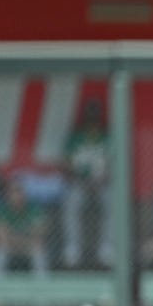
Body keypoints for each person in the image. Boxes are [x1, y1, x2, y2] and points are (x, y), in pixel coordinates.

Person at [60, 98, 112, 269]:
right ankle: (72, 248)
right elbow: (66, 165)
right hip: (79, 184)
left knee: (113, 199)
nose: (92, 120)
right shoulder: (75, 137)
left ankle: (108, 248)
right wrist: (81, 180)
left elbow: (115, 165)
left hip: (102, 184)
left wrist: (101, 179)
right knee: (72, 199)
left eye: (94, 116)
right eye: (89, 116)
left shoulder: (107, 138)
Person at [0, 176, 50, 279]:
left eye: (19, 191)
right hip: (10, 245)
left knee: (39, 249)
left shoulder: (33, 208)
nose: (17, 195)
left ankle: (42, 283)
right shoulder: (2, 210)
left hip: (29, 245)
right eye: (13, 192)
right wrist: (20, 239)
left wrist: (19, 239)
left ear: (24, 194)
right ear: (8, 195)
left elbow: (40, 232)